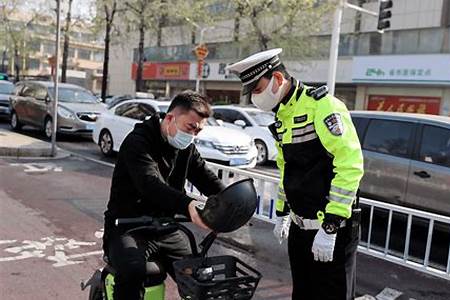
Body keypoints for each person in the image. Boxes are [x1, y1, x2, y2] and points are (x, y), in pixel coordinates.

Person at [226, 48, 364, 300]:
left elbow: (350, 164)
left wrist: (331, 226)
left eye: (257, 90)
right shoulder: (283, 117)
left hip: (331, 229)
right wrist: (282, 212)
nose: (255, 98)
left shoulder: (323, 106)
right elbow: (286, 169)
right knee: (302, 294)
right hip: (301, 228)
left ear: (277, 79)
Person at [102, 91, 225, 300]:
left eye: (198, 131)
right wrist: (188, 205)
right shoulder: (138, 142)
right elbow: (150, 185)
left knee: (199, 275)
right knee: (133, 272)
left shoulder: (186, 148)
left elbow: (207, 179)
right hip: (128, 227)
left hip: (165, 228)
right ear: (170, 118)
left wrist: (230, 200)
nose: (193, 135)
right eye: (190, 127)